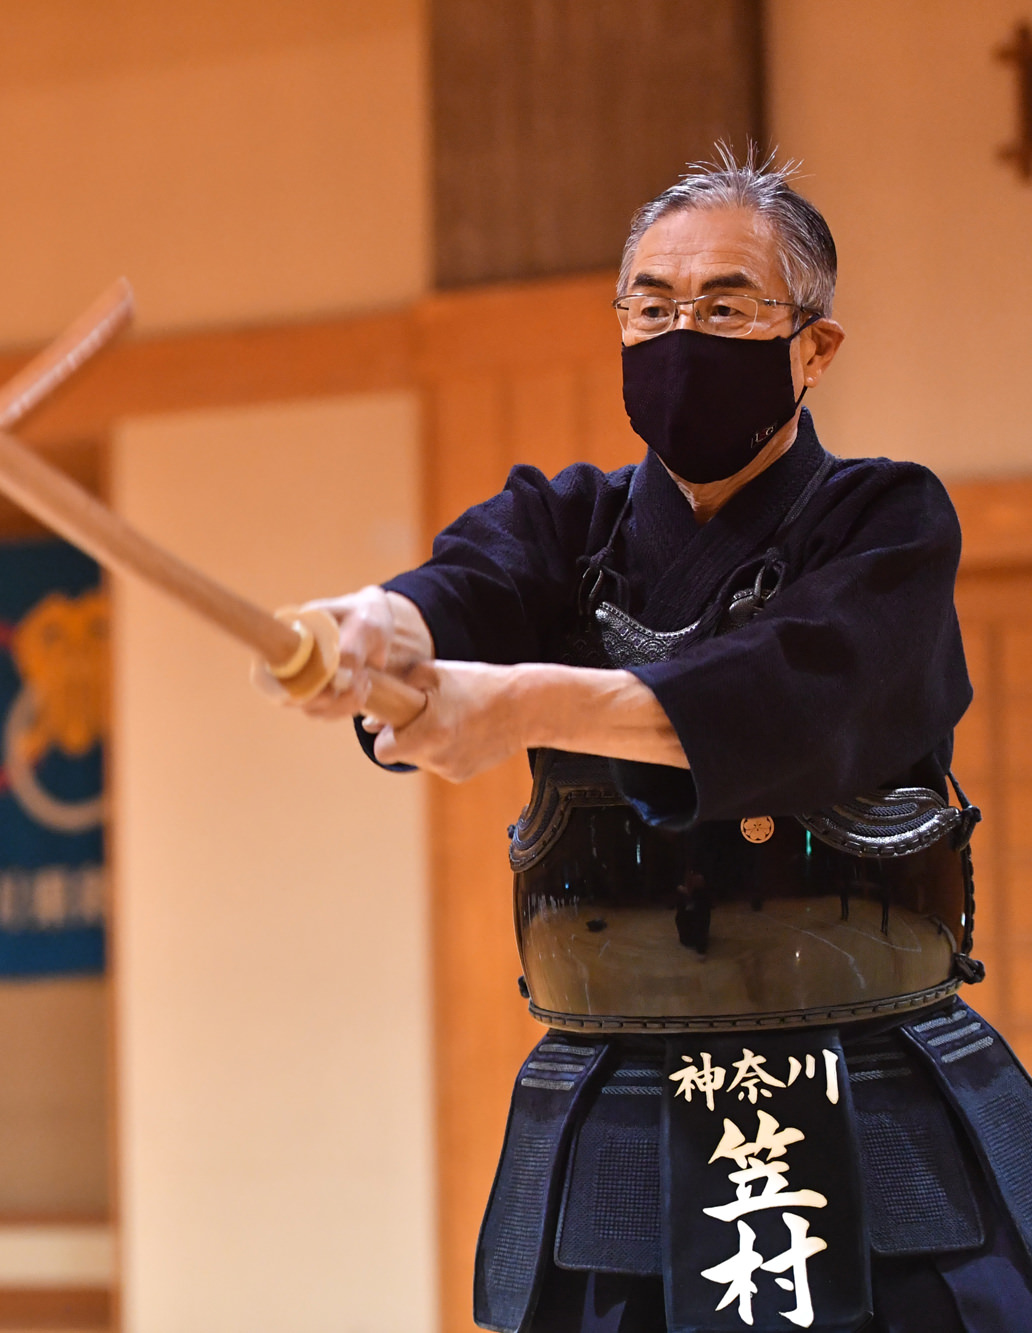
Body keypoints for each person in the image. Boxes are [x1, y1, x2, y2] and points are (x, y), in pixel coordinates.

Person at [304, 150, 1032, 1331]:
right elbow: (461, 589)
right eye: (648, 307)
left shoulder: (884, 524)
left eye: (723, 305)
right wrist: (380, 632)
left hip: (870, 1070)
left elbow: (791, 695)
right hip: (617, 1083)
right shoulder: (562, 522)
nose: (678, 331)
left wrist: (526, 705)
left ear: (813, 346)